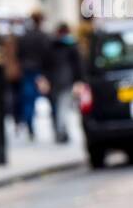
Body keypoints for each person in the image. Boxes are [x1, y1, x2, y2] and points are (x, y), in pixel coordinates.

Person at [15, 11, 52, 139]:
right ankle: (31, 124)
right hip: (39, 71)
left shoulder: (25, 36)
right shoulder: (43, 36)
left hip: (27, 70)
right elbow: (47, 55)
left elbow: (19, 54)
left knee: (28, 99)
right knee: (45, 98)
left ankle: (29, 125)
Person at [45, 22, 83, 144]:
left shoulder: (51, 46)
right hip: (66, 79)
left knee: (58, 106)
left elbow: (46, 64)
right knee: (63, 107)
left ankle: (60, 131)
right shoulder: (71, 46)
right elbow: (78, 65)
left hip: (54, 80)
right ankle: (61, 131)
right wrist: (79, 80)